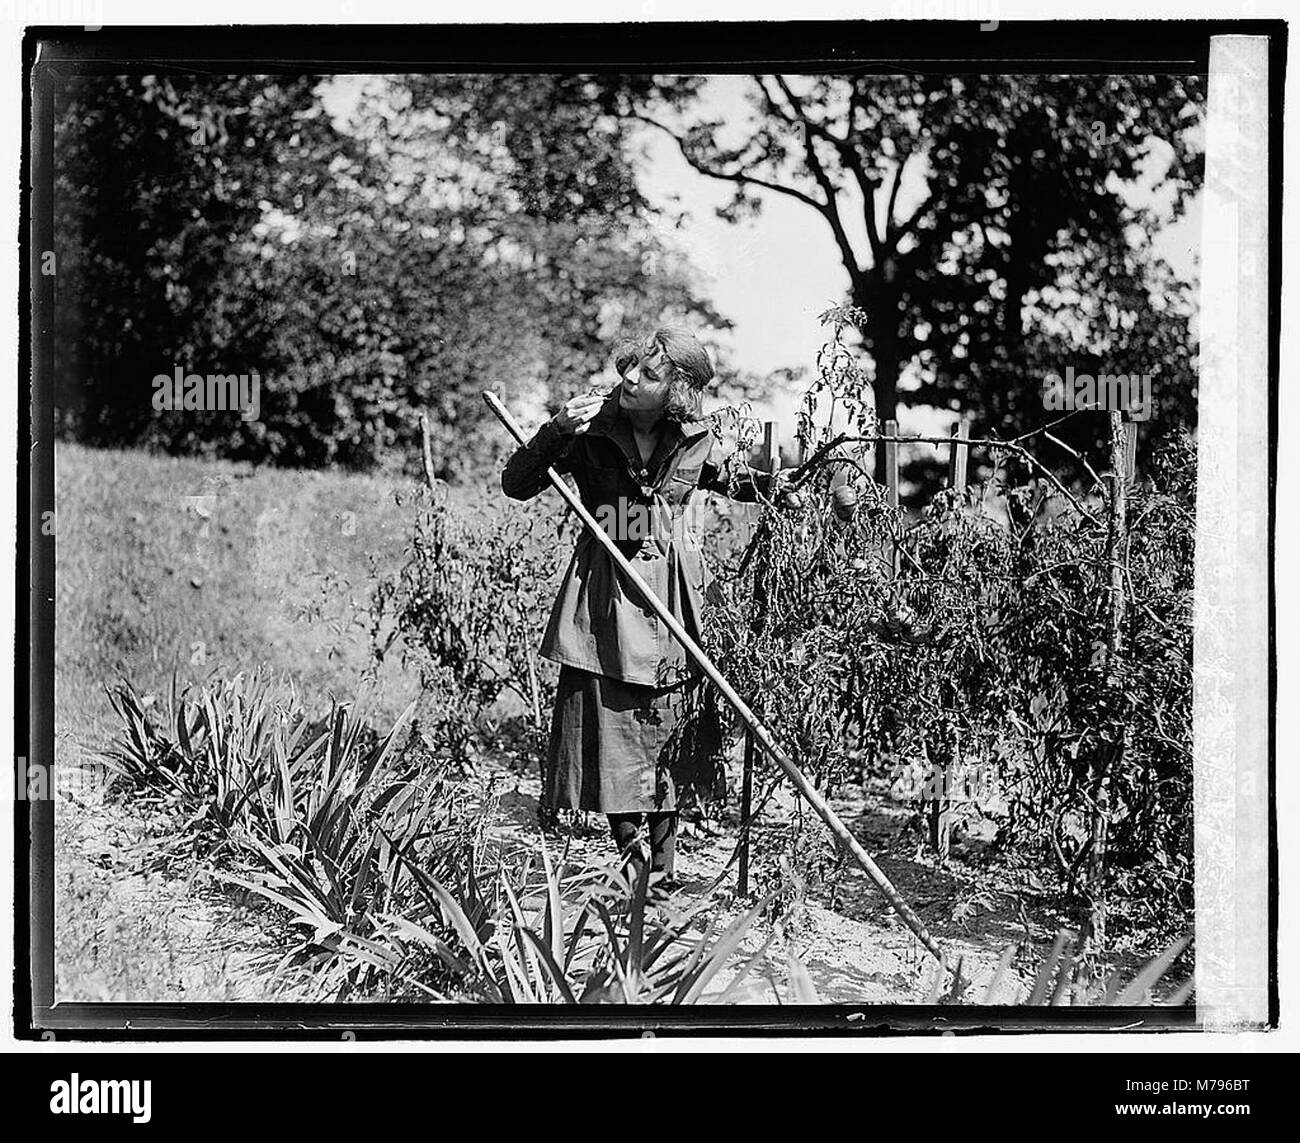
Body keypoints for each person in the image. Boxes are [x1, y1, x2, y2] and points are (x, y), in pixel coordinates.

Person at [501, 326, 788, 892]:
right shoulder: (588, 427)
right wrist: (554, 432)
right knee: (609, 724)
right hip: (606, 585)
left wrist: (798, 484)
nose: (629, 379)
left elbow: (742, 483)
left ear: (677, 389)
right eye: (628, 367)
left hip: (674, 590)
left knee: (670, 724)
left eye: (648, 374)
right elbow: (517, 483)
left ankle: (664, 871)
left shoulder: (695, 436)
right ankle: (632, 864)